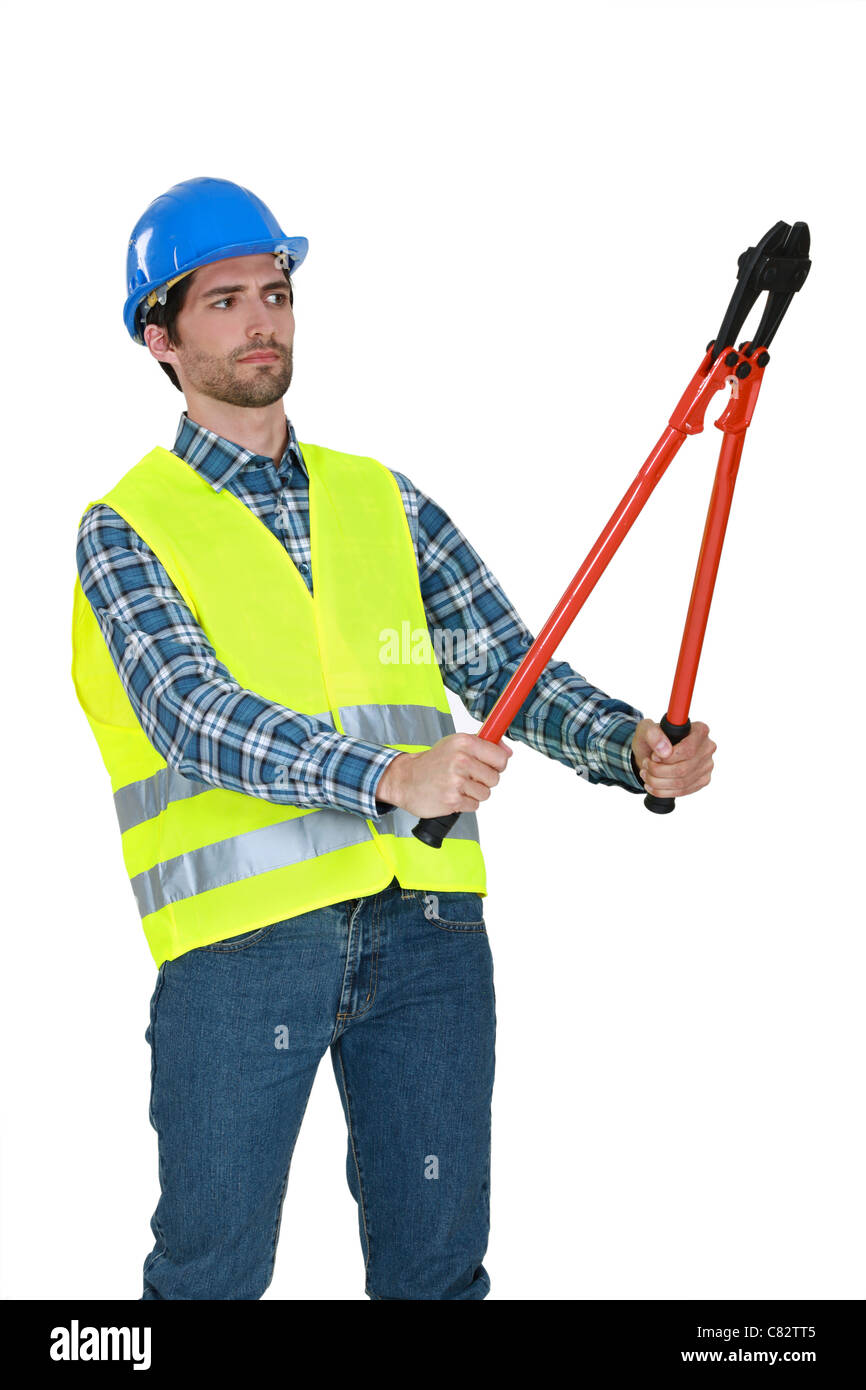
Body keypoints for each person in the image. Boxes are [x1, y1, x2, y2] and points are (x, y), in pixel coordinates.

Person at [71, 176, 716, 1301]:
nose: (262, 320)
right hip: (241, 952)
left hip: (427, 933)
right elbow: (192, 717)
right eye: (223, 301)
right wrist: (390, 776)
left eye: (275, 293)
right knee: (210, 1277)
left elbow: (504, 667)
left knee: (437, 1276)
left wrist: (626, 747)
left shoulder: (383, 499)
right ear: (159, 338)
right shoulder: (126, 528)